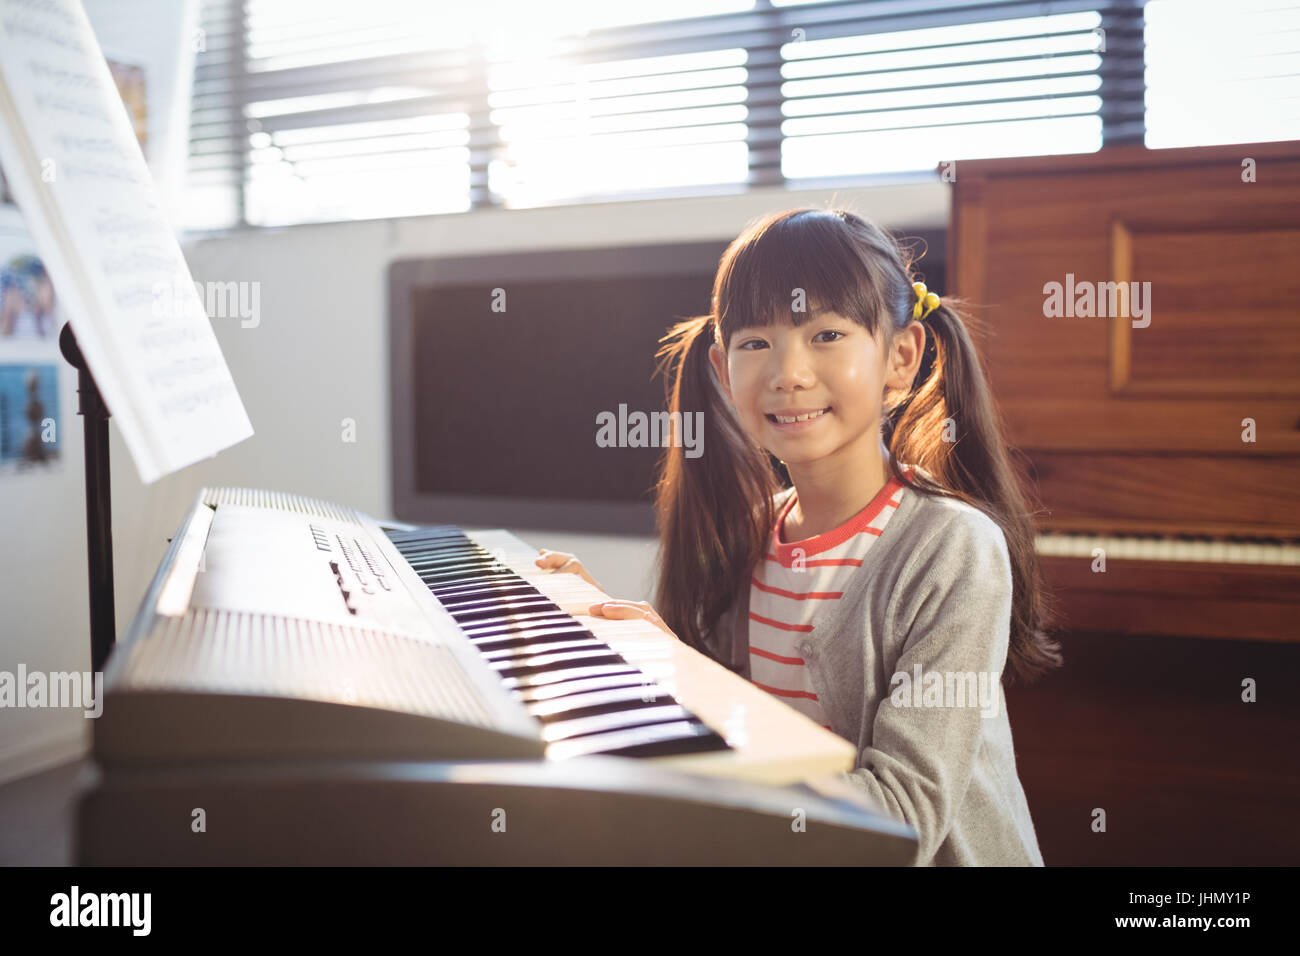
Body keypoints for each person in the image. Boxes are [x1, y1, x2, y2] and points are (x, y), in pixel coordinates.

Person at [537, 208, 1062, 865]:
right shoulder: (752, 535)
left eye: (826, 334)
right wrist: (649, 653)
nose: (788, 371)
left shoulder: (952, 548)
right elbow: (749, 731)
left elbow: (899, 821)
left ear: (901, 357)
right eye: (755, 342)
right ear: (724, 371)